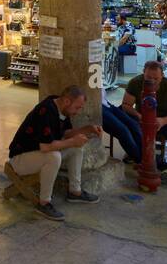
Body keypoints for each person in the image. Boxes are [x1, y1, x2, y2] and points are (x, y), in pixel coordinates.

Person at [7, 85, 101, 221]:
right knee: (54, 156)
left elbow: (67, 134)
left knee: (76, 149)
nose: (78, 111)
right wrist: (73, 141)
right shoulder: (46, 110)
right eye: (77, 107)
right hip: (20, 159)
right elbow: (45, 147)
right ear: (67, 101)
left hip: (37, 154)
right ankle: (44, 203)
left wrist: (88, 129)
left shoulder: (62, 109)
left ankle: (75, 191)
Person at [120, 60, 167, 180]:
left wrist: (163, 121)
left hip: (164, 123)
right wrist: (139, 116)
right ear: (143, 73)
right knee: (125, 121)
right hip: (142, 122)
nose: (152, 81)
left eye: (156, 78)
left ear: (162, 76)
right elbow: (126, 105)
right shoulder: (135, 83)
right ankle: (136, 154)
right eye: (148, 78)